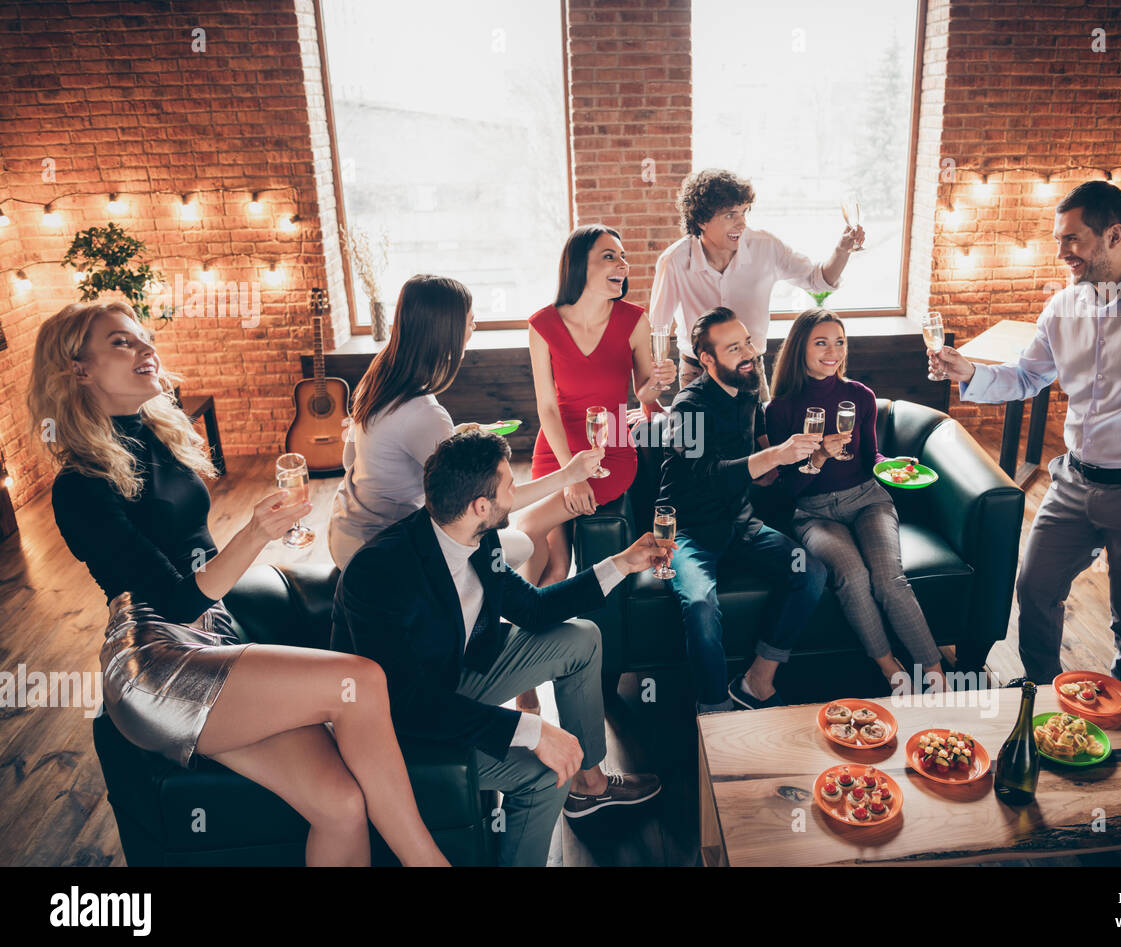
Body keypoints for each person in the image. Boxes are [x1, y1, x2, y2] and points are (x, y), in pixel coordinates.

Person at [30, 301, 447, 866]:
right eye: (122, 343)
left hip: (214, 635)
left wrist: (255, 534)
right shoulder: (79, 485)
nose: (147, 350)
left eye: (145, 337)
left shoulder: (155, 434)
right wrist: (255, 532)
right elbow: (176, 601)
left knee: (340, 803)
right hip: (158, 662)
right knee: (360, 680)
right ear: (78, 370)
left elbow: (198, 563)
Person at [928, 181, 1121, 699]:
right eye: (1058, 240)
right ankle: (1042, 692)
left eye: (1072, 240)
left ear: (1114, 234)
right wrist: (969, 372)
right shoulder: (1060, 308)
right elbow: (1028, 377)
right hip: (1071, 482)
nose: (1061, 253)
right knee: (1034, 587)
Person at [332, 429, 668, 866]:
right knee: (548, 771)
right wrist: (531, 730)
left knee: (581, 637)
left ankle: (589, 788)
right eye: (510, 484)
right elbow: (408, 705)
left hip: (459, 672)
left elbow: (532, 609)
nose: (517, 491)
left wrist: (622, 563)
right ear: (480, 506)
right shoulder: (380, 575)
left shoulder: (479, 535)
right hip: (402, 726)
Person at [328, 274, 604, 573]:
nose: (474, 328)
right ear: (447, 331)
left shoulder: (380, 376)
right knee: (522, 545)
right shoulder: (425, 414)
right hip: (384, 551)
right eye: (471, 321)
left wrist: (453, 438)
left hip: (344, 531)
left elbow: (350, 460)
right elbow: (491, 504)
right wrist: (569, 475)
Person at [766, 309, 947, 694]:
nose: (832, 351)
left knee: (889, 579)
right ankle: (889, 669)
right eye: (821, 342)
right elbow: (788, 489)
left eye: (839, 342)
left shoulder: (859, 396)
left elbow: (871, 458)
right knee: (853, 577)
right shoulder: (780, 409)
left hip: (867, 499)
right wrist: (817, 458)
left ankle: (936, 674)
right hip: (813, 513)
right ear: (800, 348)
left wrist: (891, 464)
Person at [657, 307, 829, 711]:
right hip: (685, 532)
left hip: (740, 524)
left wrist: (800, 462)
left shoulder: (749, 391)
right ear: (707, 360)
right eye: (734, 348)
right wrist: (773, 456)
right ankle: (714, 710)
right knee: (700, 605)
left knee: (811, 571)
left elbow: (750, 468)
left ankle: (756, 682)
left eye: (747, 342)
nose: (748, 353)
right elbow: (706, 475)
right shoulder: (688, 407)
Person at [516, 225, 674, 586]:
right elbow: (548, 408)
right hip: (557, 447)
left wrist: (661, 381)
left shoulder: (634, 320)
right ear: (578, 265)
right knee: (556, 565)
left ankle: (518, 622)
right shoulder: (542, 325)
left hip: (611, 451)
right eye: (609, 256)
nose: (623, 264)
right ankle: (530, 633)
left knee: (528, 524)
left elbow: (645, 395)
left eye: (623, 257)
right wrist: (570, 474)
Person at [649, 168, 864, 402]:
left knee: (760, 438)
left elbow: (817, 280)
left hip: (750, 369)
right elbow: (658, 327)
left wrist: (842, 251)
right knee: (699, 438)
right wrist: (653, 389)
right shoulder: (674, 261)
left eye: (744, 212)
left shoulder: (766, 246)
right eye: (730, 215)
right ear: (701, 220)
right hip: (697, 371)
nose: (741, 223)